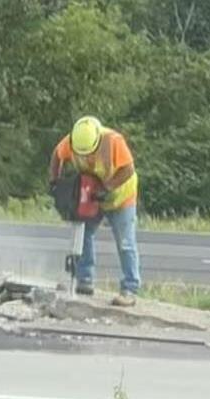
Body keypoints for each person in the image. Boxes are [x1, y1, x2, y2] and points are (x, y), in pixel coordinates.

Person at [49, 116, 141, 307]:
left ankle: (130, 289)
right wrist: (54, 182)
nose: (85, 157)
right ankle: (85, 280)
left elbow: (128, 170)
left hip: (120, 199)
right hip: (92, 195)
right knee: (84, 234)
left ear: (97, 141)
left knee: (125, 243)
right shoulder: (74, 140)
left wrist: (107, 188)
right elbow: (57, 155)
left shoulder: (113, 141)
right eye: (80, 153)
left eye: (89, 153)